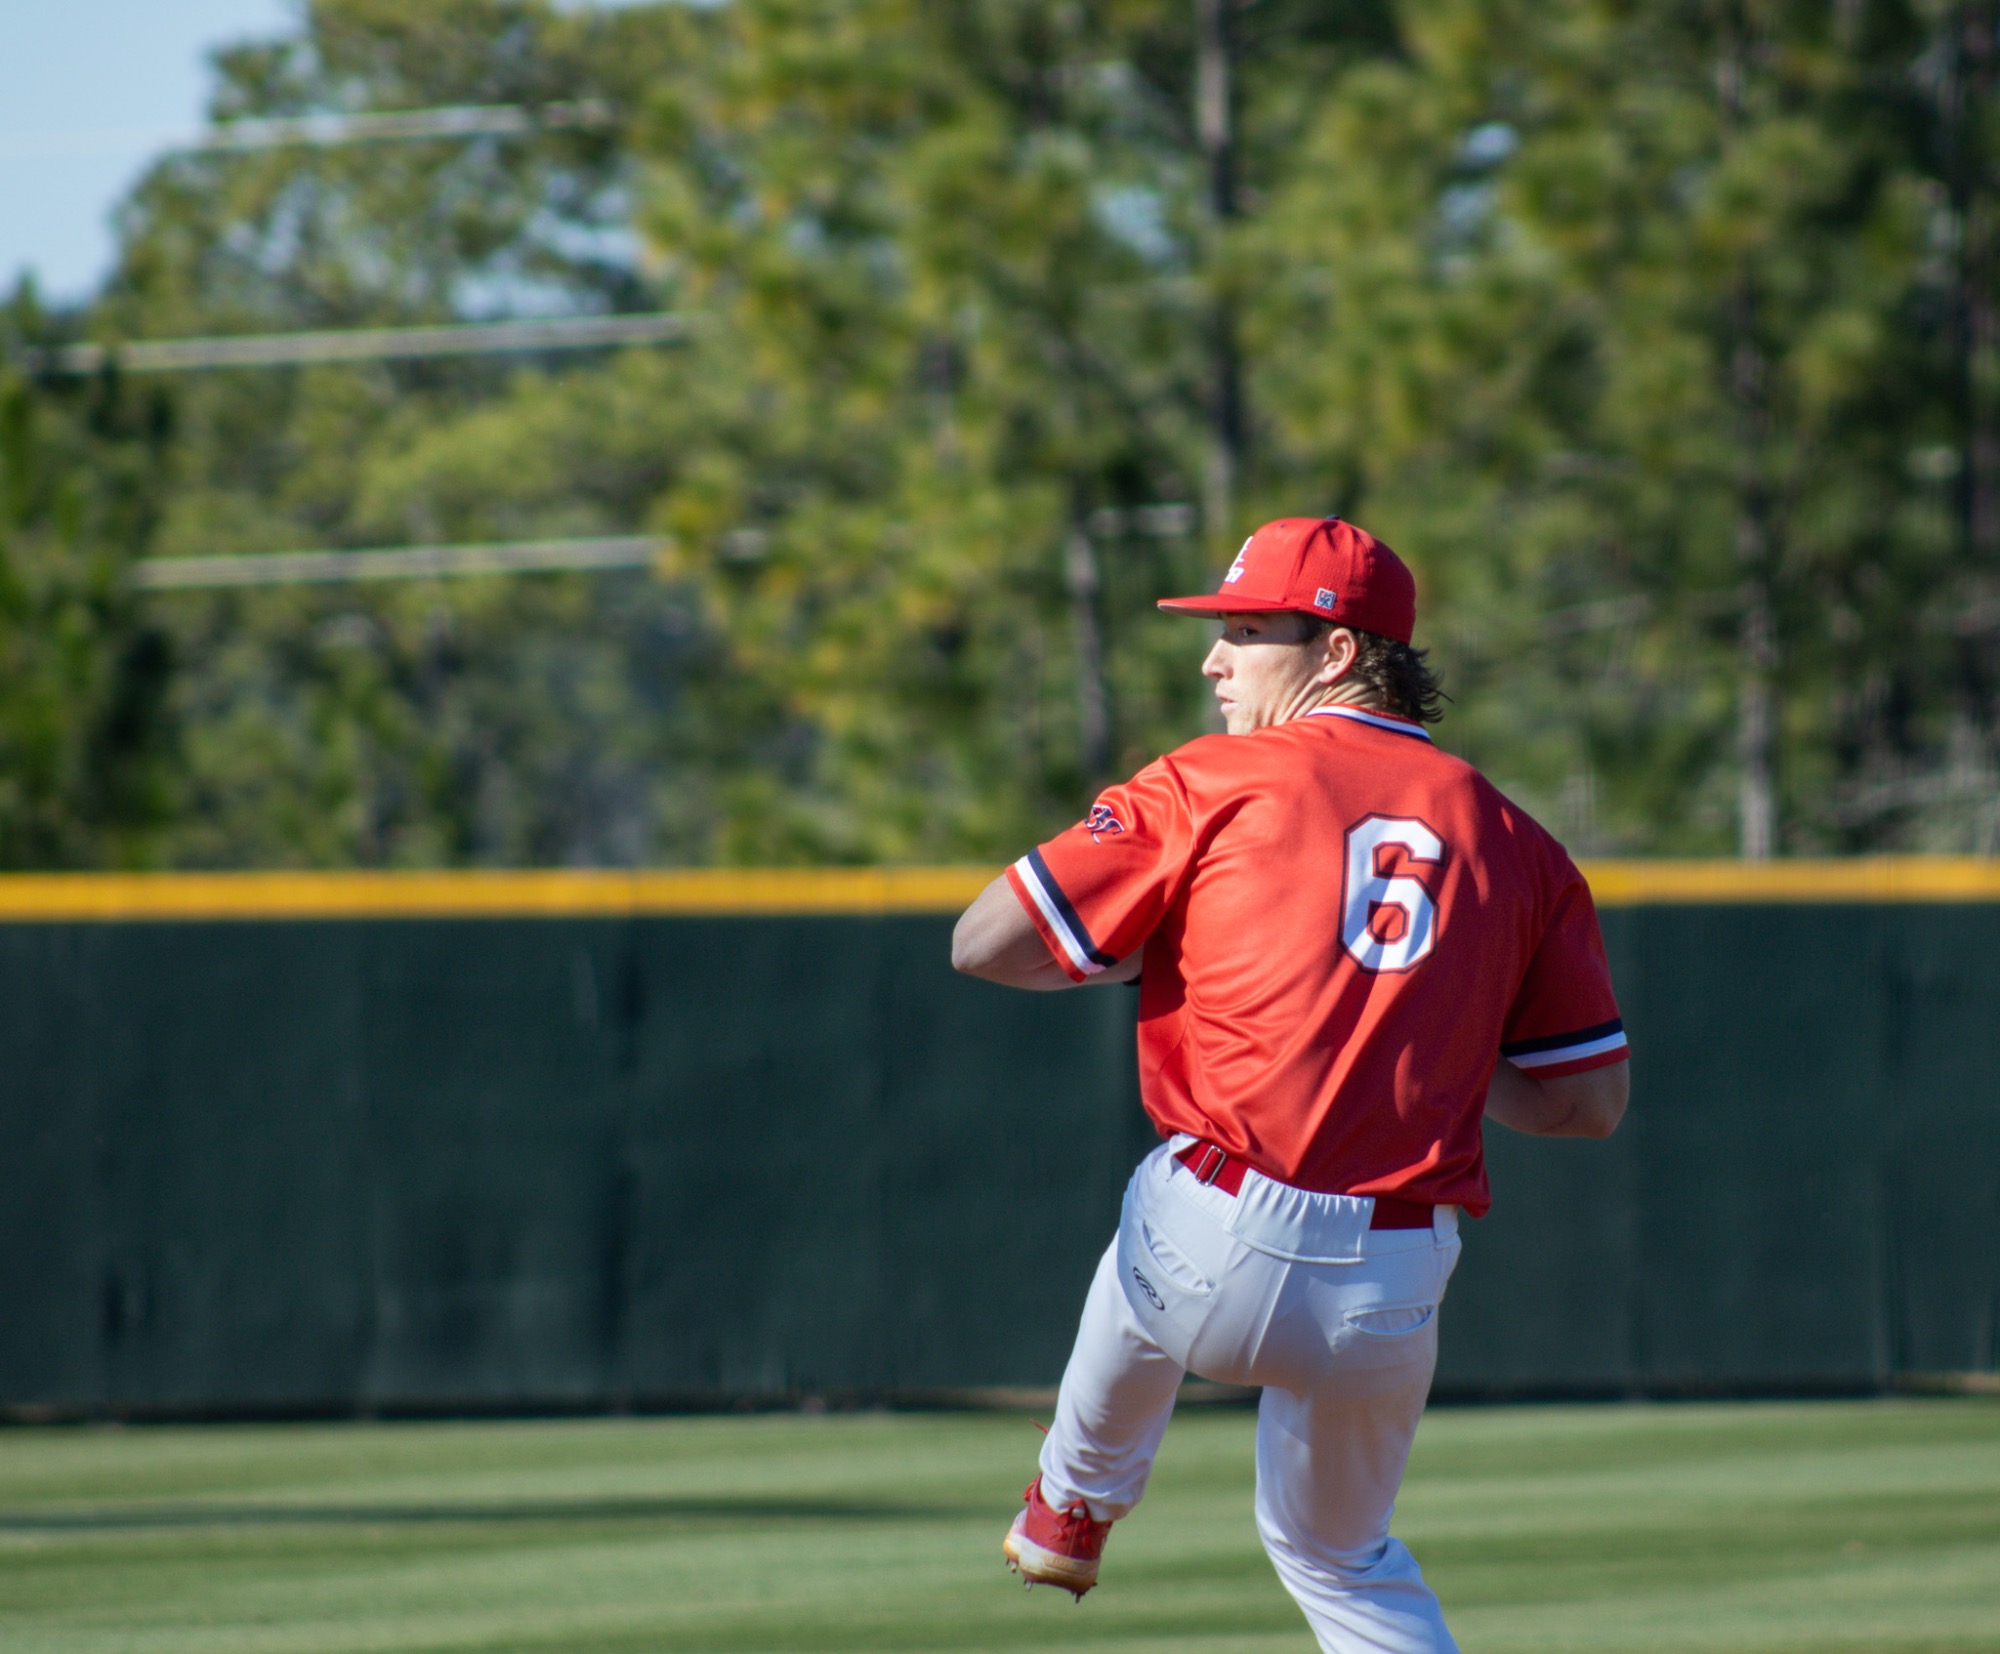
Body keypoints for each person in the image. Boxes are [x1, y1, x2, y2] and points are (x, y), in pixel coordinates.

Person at [950, 515, 1630, 1654]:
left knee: (1152, 1208)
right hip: (1391, 1282)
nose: (1212, 661)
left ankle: (1072, 1500)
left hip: (1210, 1240)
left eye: (1246, 632)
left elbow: (981, 942)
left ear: (1337, 651)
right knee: (1341, 1561)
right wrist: (1434, 1045)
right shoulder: (1521, 843)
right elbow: (1586, 1105)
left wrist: (1157, 953)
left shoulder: (1211, 779)